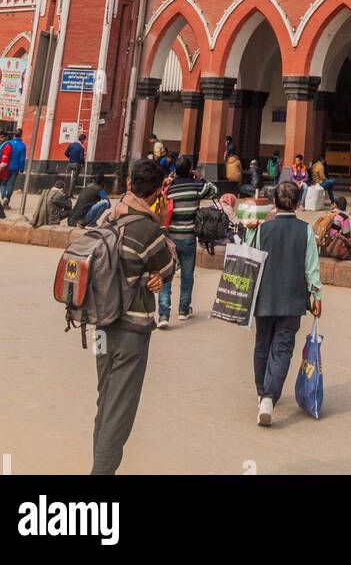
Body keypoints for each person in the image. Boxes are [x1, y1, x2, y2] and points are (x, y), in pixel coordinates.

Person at [91, 159, 176, 475]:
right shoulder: (147, 229)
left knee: (105, 399)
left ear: (128, 185)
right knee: (120, 408)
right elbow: (167, 268)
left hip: (100, 324)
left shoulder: (108, 216)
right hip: (130, 329)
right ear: (156, 193)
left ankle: (99, 464)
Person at [250, 180, 322, 427]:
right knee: (282, 347)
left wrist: (249, 230)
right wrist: (316, 296)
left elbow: (251, 255)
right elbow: (311, 267)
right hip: (292, 297)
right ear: (298, 203)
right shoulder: (306, 231)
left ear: (274, 202)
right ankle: (269, 396)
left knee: (262, 343)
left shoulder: (262, 229)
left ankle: (263, 392)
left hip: (264, 296)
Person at [157, 153, 217, 328]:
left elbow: (160, 198)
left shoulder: (170, 188)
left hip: (171, 238)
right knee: (187, 276)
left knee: (166, 274)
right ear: (190, 170)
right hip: (189, 238)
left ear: (175, 170)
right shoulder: (196, 187)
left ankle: (163, 314)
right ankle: (183, 309)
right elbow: (213, 190)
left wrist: (168, 181)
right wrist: (201, 178)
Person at [0, 128, 26, 208]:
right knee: (11, 185)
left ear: (14, 134)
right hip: (15, 168)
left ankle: (3, 198)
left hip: (6, 167)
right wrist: (21, 169)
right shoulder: (22, 146)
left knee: (3, 184)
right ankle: (7, 202)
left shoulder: (8, 143)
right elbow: (22, 159)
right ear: (21, 135)